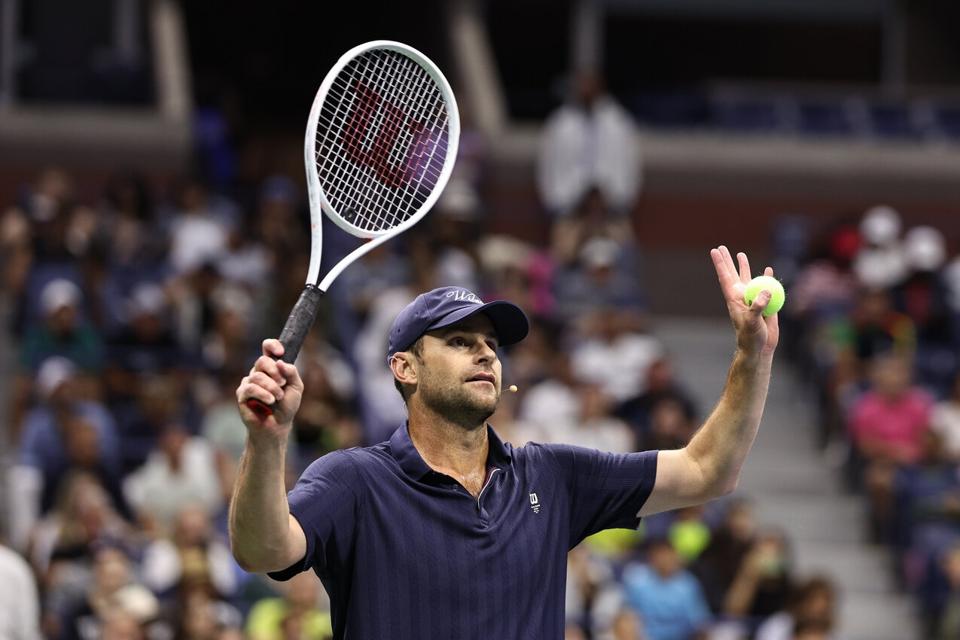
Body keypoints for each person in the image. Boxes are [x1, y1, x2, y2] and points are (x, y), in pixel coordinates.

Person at [230, 246, 780, 638]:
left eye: (491, 343)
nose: (486, 353)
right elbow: (261, 551)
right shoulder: (355, 480)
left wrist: (752, 355)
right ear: (405, 368)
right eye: (459, 340)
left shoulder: (552, 476)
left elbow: (707, 471)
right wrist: (267, 441)